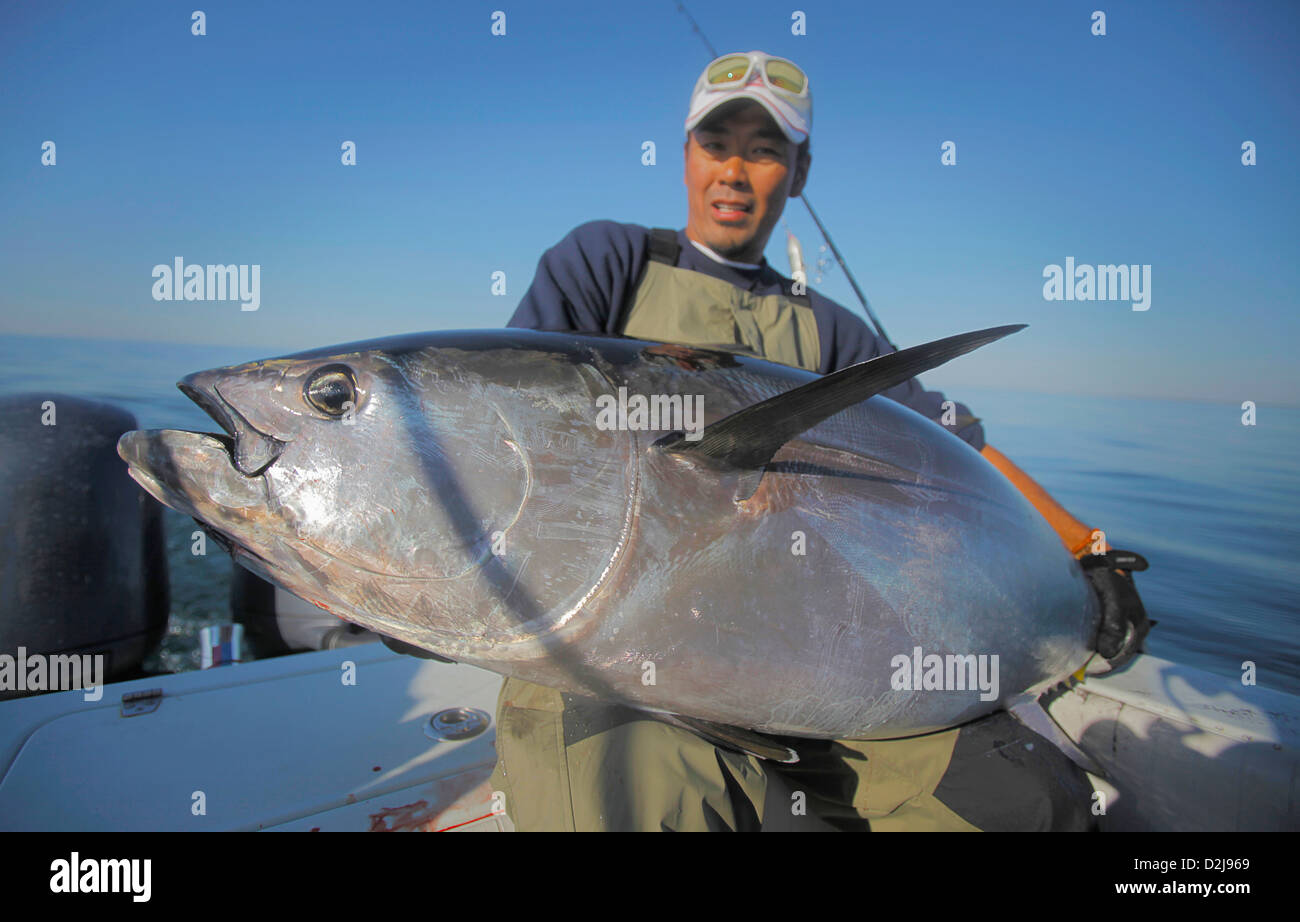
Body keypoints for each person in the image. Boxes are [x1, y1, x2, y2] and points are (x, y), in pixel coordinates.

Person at [488, 50, 1149, 831]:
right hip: (620, 652)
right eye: (717, 142)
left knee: (1028, 800)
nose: (736, 170)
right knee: (630, 793)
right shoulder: (610, 262)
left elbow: (959, 450)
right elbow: (507, 422)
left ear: (798, 173)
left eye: (766, 150)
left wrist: (1088, 551)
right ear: (685, 156)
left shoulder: (829, 330)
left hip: (819, 656)